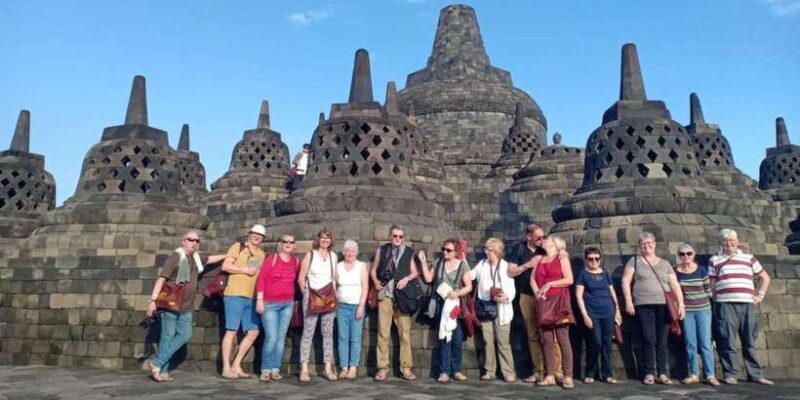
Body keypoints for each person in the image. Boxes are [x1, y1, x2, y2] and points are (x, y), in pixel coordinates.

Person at [146, 231, 226, 382]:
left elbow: (210, 259)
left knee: (185, 334)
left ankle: (157, 363)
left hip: (187, 306)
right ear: (183, 241)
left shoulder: (195, 258)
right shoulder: (176, 257)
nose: (194, 242)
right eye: (191, 240)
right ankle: (161, 370)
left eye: (197, 240)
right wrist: (152, 300)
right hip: (171, 303)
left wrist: (228, 255)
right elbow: (161, 278)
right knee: (167, 337)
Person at [709, 229, 773, 386]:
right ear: (720, 243)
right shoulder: (715, 260)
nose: (729, 243)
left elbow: (765, 277)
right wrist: (716, 299)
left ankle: (755, 374)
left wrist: (760, 295)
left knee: (749, 340)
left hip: (747, 303)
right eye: (725, 241)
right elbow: (711, 283)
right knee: (727, 340)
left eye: (732, 240)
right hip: (725, 304)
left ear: (737, 241)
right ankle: (730, 374)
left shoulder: (749, 258)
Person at [621, 232, 685, 385]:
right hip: (643, 304)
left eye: (649, 242)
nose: (647, 245)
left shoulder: (664, 263)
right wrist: (628, 301)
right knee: (648, 338)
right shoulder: (634, 261)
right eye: (643, 243)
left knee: (662, 339)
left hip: (664, 305)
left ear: (655, 244)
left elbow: (674, 284)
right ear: (640, 246)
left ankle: (662, 372)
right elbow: (625, 280)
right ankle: (649, 372)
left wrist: (680, 303)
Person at [506, 223, 560, 383]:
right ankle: (538, 371)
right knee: (533, 335)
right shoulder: (519, 249)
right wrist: (528, 265)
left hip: (547, 296)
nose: (542, 240)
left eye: (543, 237)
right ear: (528, 237)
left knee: (553, 334)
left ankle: (557, 371)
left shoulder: (547, 248)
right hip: (526, 296)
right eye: (538, 238)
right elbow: (510, 271)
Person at [419, 238, 473, 383]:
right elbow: (429, 278)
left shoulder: (462, 265)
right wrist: (424, 262)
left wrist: (457, 293)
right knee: (444, 337)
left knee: (456, 338)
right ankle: (444, 371)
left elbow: (469, 286)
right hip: (441, 304)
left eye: (448, 250)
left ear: (456, 252)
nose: (445, 252)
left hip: (455, 304)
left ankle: (456, 370)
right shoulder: (438, 263)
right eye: (443, 249)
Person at [371, 225, 421, 382]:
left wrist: (407, 278)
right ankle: (382, 368)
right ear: (390, 236)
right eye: (395, 236)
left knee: (404, 334)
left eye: (400, 236)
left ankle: (406, 368)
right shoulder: (383, 250)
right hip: (385, 296)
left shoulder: (408, 252)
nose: (397, 239)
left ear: (403, 238)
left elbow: (415, 272)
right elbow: (373, 270)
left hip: (403, 298)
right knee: (383, 333)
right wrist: (376, 282)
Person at [220, 224, 267, 379]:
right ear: (249, 234)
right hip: (234, 294)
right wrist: (244, 270)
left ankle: (236, 365)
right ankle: (226, 367)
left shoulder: (261, 254)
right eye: (254, 234)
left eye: (260, 235)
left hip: (252, 297)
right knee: (231, 331)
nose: (257, 236)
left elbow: (255, 273)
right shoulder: (238, 247)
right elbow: (226, 266)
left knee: (253, 332)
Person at [530, 236, 575, 389]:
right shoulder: (540, 259)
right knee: (546, 339)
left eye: (548, 239)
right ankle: (550, 375)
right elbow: (532, 279)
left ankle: (568, 376)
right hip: (544, 302)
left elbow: (569, 279)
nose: (544, 240)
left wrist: (550, 284)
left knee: (563, 338)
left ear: (555, 244)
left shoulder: (561, 257)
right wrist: (538, 294)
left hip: (561, 301)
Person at [470, 237, 517, 382]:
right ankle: (489, 371)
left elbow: (511, 289)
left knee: (503, 342)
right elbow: (471, 275)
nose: (486, 252)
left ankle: (508, 371)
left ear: (497, 251)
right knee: (487, 341)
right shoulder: (482, 264)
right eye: (486, 249)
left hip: (501, 309)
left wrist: (505, 297)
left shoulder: (505, 266)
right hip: (486, 308)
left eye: (489, 250)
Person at [255, 234, 300, 382]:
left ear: (294, 245)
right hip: (270, 304)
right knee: (271, 337)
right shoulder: (271, 259)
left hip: (287, 304)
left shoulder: (295, 261)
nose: (287, 244)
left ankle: (275, 368)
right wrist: (260, 299)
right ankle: (265, 369)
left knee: (280, 338)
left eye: (290, 242)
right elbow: (261, 279)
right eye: (285, 241)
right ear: (281, 244)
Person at [575, 247, 621, 385]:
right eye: (590, 258)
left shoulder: (605, 273)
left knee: (607, 344)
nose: (594, 261)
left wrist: (617, 310)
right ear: (586, 259)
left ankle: (607, 374)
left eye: (596, 258)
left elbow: (612, 291)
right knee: (595, 343)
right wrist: (584, 315)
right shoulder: (582, 274)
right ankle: (590, 373)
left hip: (607, 312)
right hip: (592, 313)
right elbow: (578, 295)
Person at [674, 243, 718, 386]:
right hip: (687, 311)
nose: (685, 256)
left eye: (689, 253)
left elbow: (708, 290)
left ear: (693, 254)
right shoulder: (676, 271)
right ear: (679, 256)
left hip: (703, 309)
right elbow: (675, 291)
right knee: (690, 343)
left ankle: (710, 374)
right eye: (682, 254)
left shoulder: (701, 269)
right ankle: (694, 373)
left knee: (705, 342)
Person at [297, 228, 339, 382]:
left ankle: (328, 368)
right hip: (312, 295)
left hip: (328, 297)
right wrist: (307, 294)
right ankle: (304, 368)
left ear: (331, 240)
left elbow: (334, 277)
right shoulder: (311, 254)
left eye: (328, 238)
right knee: (308, 332)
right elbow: (301, 278)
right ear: (318, 239)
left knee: (327, 333)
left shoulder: (333, 256)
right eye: (322, 237)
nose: (325, 240)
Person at [335, 240, 369, 379]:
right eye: (347, 251)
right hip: (341, 306)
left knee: (355, 338)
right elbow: (333, 284)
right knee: (342, 337)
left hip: (357, 306)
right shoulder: (338, 266)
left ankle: (353, 367)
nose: (350, 253)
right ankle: (343, 367)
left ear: (356, 252)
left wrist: (361, 306)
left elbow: (365, 287)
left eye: (352, 251)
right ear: (344, 252)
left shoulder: (361, 266)